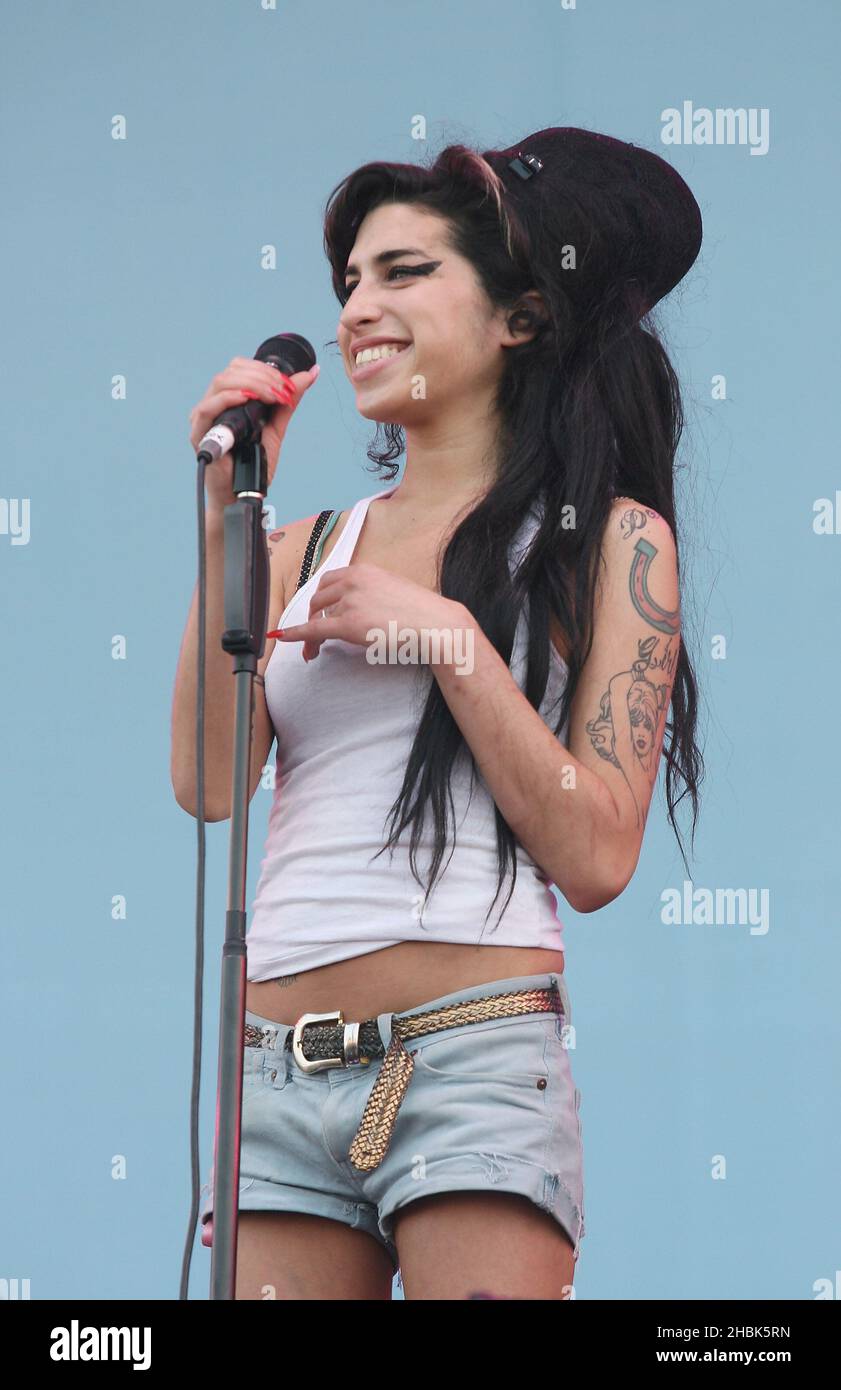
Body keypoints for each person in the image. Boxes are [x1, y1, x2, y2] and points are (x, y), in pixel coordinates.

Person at [171, 126, 704, 1300]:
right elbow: (209, 786)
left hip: (471, 1056)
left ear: (520, 317)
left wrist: (449, 641)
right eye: (349, 282)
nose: (358, 308)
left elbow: (597, 855)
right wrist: (223, 525)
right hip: (274, 1073)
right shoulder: (297, 546)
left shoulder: (610, 544)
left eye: (404, 273)